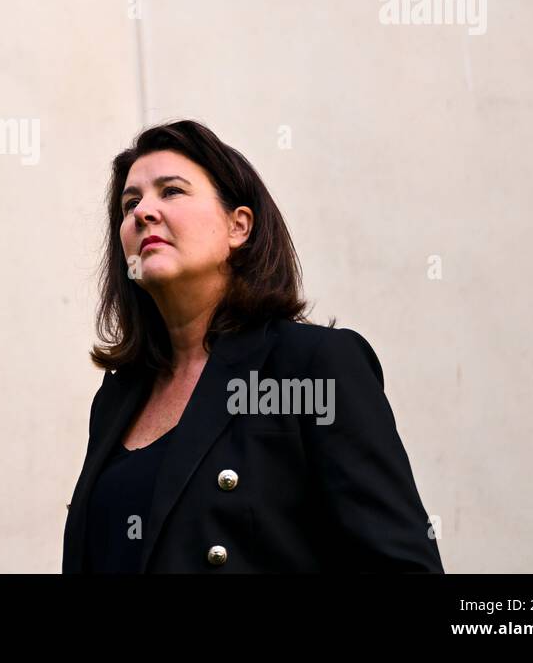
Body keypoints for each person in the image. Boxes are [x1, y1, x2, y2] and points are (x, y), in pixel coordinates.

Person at [62, 120, 442, 572]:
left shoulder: (311, 366)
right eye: (130, 202)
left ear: (238, 226)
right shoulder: (117, 398)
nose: (143, 211)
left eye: (172, 192)